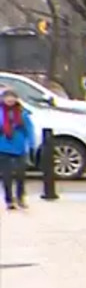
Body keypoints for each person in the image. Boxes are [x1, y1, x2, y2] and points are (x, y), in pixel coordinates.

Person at [0, 84, 38, 212]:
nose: (10, 100)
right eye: (7, 97)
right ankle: (9, 200)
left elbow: (29, 129)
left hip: (20, 147)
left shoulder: (22, 113)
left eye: (12, 97)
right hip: (3, 147)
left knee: (21, 174)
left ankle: (21, 197)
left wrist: (31, 144)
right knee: (6, 175)